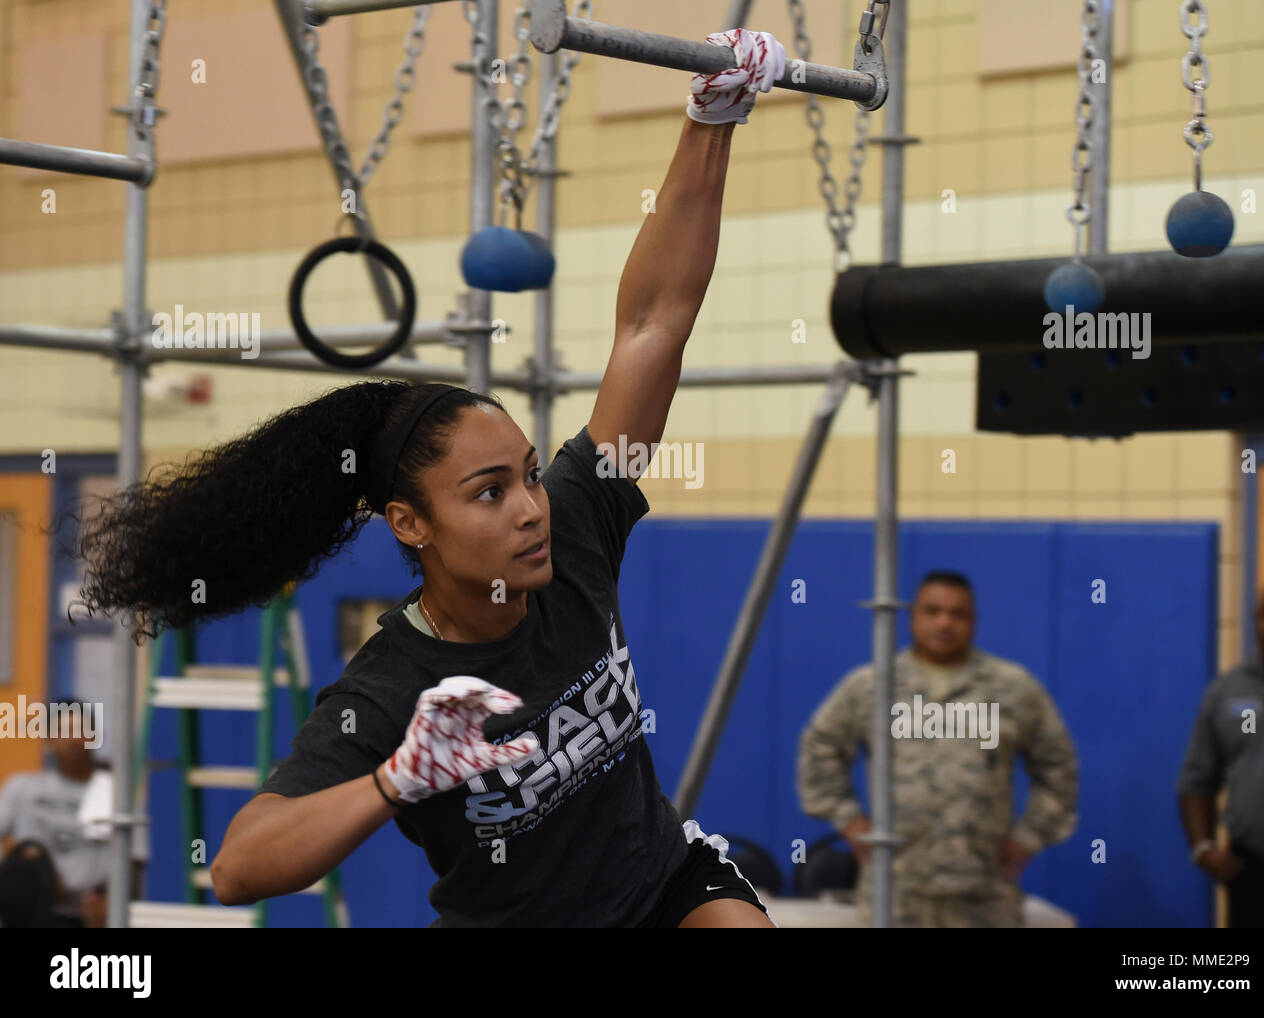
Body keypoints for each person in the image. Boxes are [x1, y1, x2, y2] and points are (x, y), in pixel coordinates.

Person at [69, 29, 789, 929]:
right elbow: (238, 870)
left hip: (663, 889)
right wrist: (396, 778)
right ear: (409, 523)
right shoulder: (391, 689)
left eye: (529, 476)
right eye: (489, 492)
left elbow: (653, 324)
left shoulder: (577, 525)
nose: (530, 510)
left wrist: (712, 119)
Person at [797, 571, 1078, 927]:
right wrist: (849, 820)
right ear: (912, 617)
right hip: (895, 890)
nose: (944, 623)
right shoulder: (874, 685)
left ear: (974, 620)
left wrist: (1029, 838)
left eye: (958, 614)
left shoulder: (1012, 688)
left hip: (983, 893)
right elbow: (820, 747)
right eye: (932, 611)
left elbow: (1058, 767)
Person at [1177, 575, 1264, 928]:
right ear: (1255, 619)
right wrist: (1203, 848)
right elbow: (1196, 781)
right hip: (1250, 876)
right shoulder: (1227, 692)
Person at [0, 701, 147, 928]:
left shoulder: (117, 794)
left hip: (88, 916)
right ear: (48, 740)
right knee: (29, 853)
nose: (71, 739)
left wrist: (113, 906)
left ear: (94, 736)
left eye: (79, 730)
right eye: (62, 731)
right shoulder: (22, 788)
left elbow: (134, 863)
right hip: (30, 914)